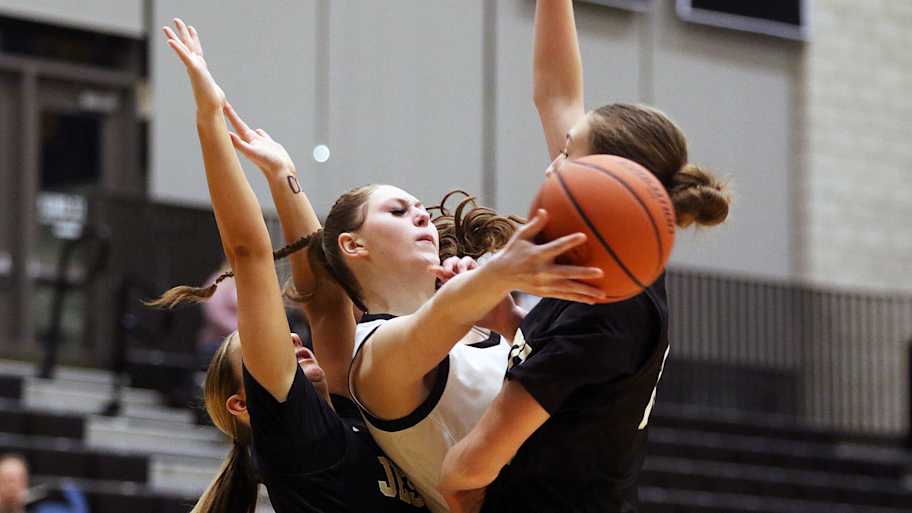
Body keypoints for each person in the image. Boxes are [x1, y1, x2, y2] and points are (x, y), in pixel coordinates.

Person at [438, 2, 733, 512]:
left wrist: (449, 491)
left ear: (607, 185)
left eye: (568, 153)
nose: (554, 162)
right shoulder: (619, 252)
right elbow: (556, 92)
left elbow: (470, 467)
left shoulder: (608, 312)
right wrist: (512, 321)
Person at [153, 19, 428, 513]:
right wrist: (209, 116)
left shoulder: (348, 413)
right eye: (270, 344)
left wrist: (284, 177)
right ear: (245, 403)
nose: (292, 338)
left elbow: (325, 302)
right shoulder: (292, 438)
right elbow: (250, 254)